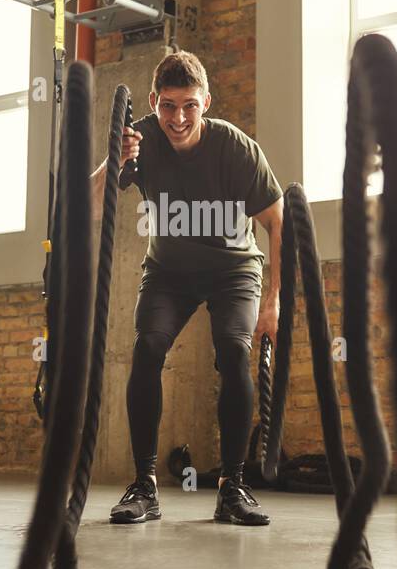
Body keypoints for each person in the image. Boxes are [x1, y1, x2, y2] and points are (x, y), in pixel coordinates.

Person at [88, 50, 283, 526]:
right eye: (169, 106)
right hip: (169, 273)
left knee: (234, 353)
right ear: (154, 101)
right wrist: (114, 159)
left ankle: (233, 487)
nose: (178, 118)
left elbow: (280, 224)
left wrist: (273, 303)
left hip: (234, 270)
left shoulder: (234, 149)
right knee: (148, 348)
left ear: (206, 103)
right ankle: (145, 486)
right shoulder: (142, 141)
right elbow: (90, 208)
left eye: (189, 106)